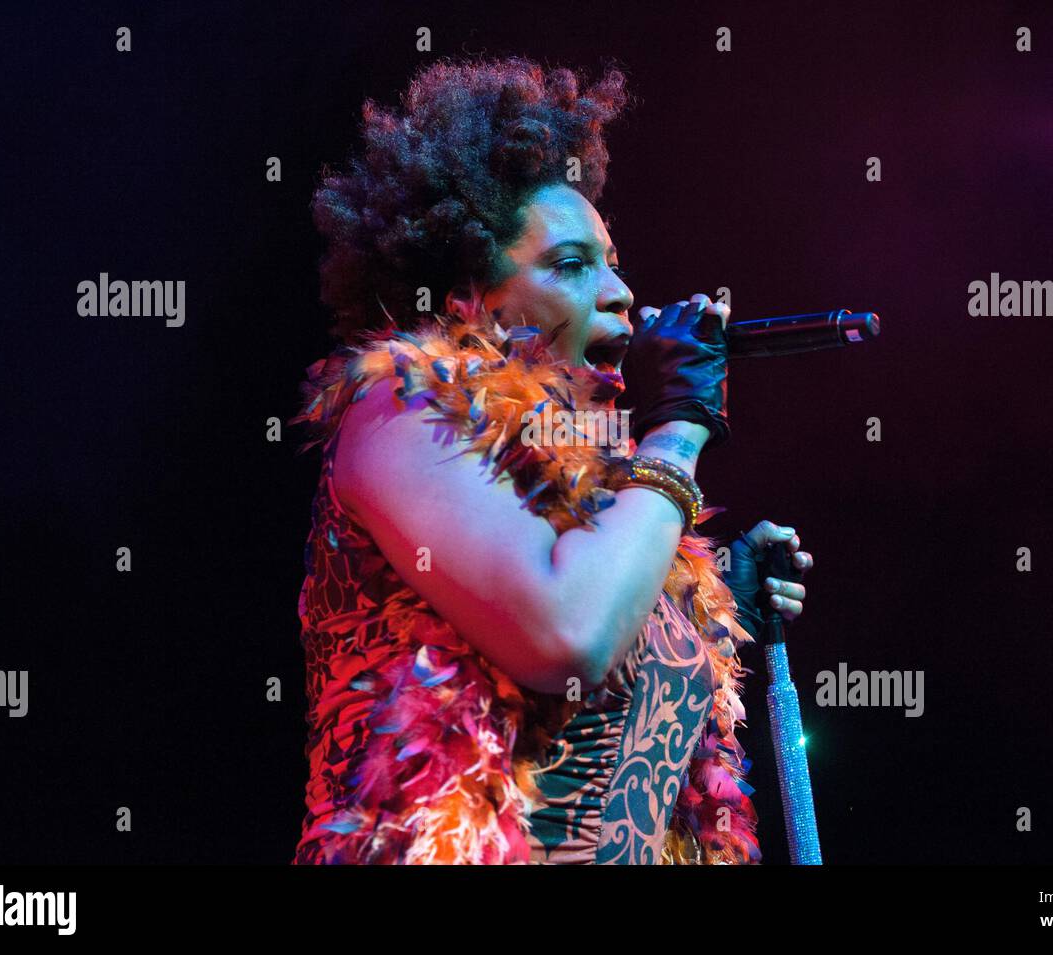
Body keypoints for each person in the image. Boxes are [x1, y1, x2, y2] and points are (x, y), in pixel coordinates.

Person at [289, 55, 813, 865]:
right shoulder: (397, 408)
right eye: (572, 266)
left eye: (611, 261)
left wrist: (705, 599)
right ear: (468, 292)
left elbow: (612, 656)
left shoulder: (605, 497)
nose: (620, 292)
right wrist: (678, 430)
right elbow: (567, 631)